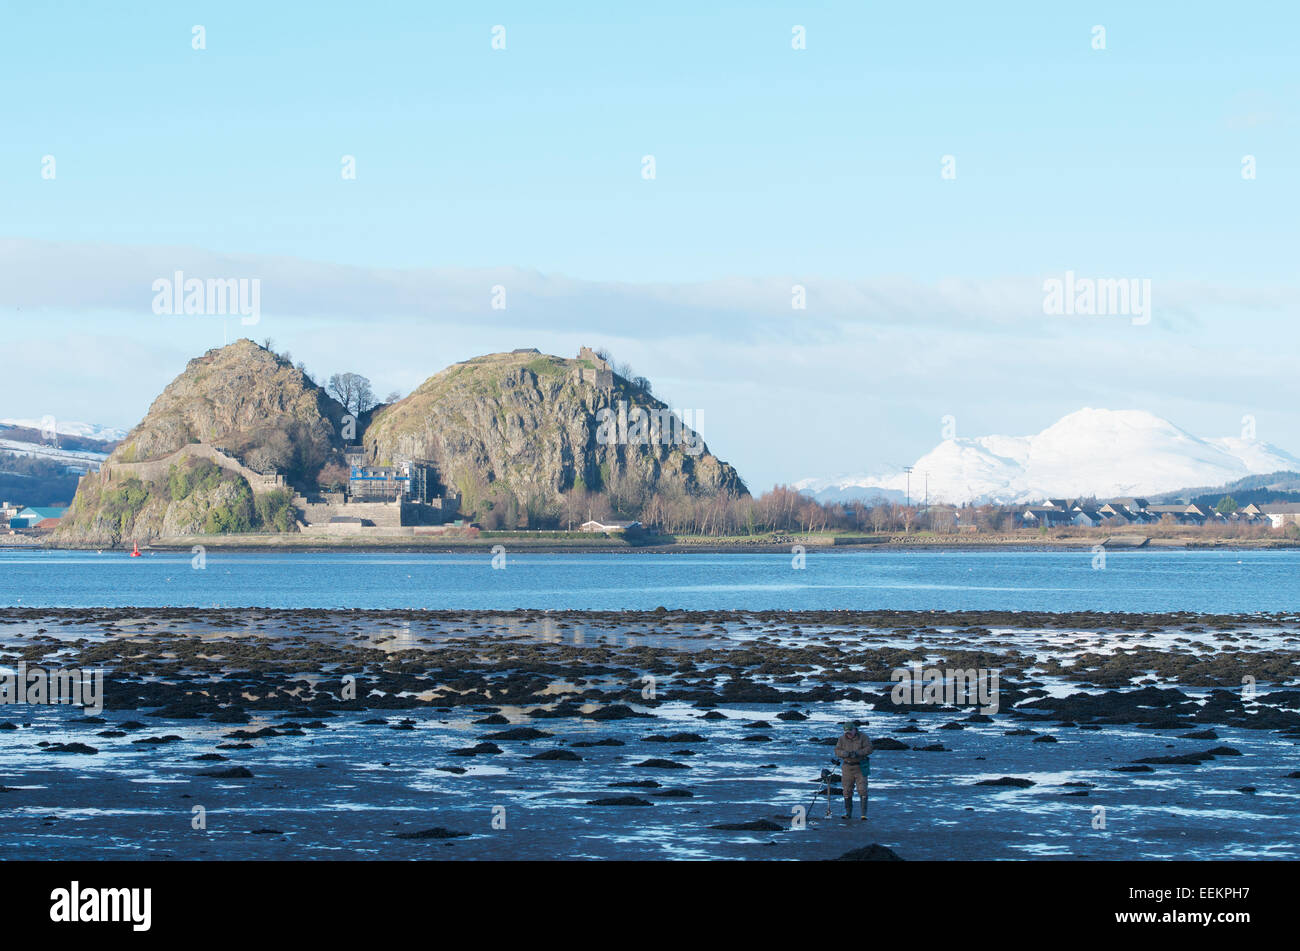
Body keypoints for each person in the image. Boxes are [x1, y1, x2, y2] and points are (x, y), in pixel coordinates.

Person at [833, 720, 872, 820]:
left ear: (855, 729)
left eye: (850, 731)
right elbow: (837, 751)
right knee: (846, 790)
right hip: (847, 767)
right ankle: (848, 813)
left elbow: (869, 749)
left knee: (862, 789)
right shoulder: (841, 739)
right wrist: (845, 754)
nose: (848, 734)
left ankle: (864, 814)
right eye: (846, 732)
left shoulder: (863, 737)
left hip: (861, 766)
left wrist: (858, 753)